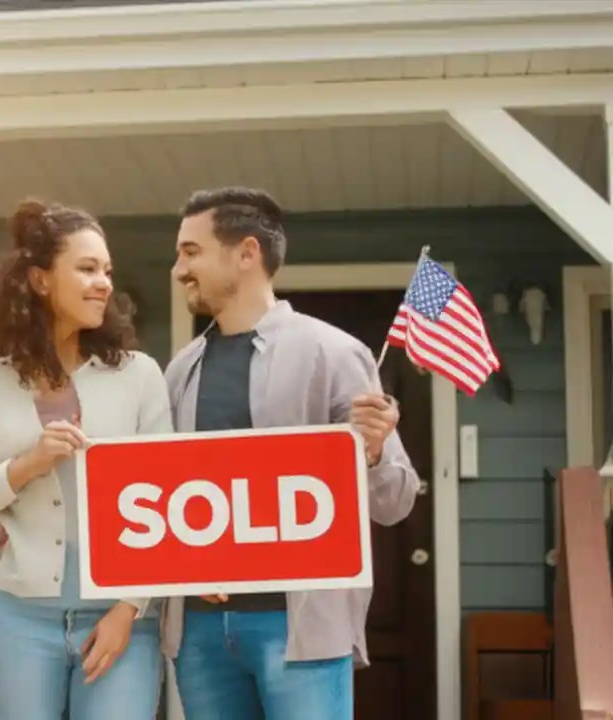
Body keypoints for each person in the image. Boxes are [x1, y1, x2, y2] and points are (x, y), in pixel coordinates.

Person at [162, 187, 420, 719]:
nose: (178, 268)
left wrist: (370, 452)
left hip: (299, 629)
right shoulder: (180, 370)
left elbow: (394, 502)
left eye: (191, 252)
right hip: (201, 632)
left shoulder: (334, 353)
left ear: (247, 253)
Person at [0, 199, 172, 720]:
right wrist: (23, 467)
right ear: (39, 280)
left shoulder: (140, 375)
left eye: (106, 271)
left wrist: (129, 611)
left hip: (120, 620)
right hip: (18, 621)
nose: (103, 282)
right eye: (86, 268)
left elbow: (164, 504)